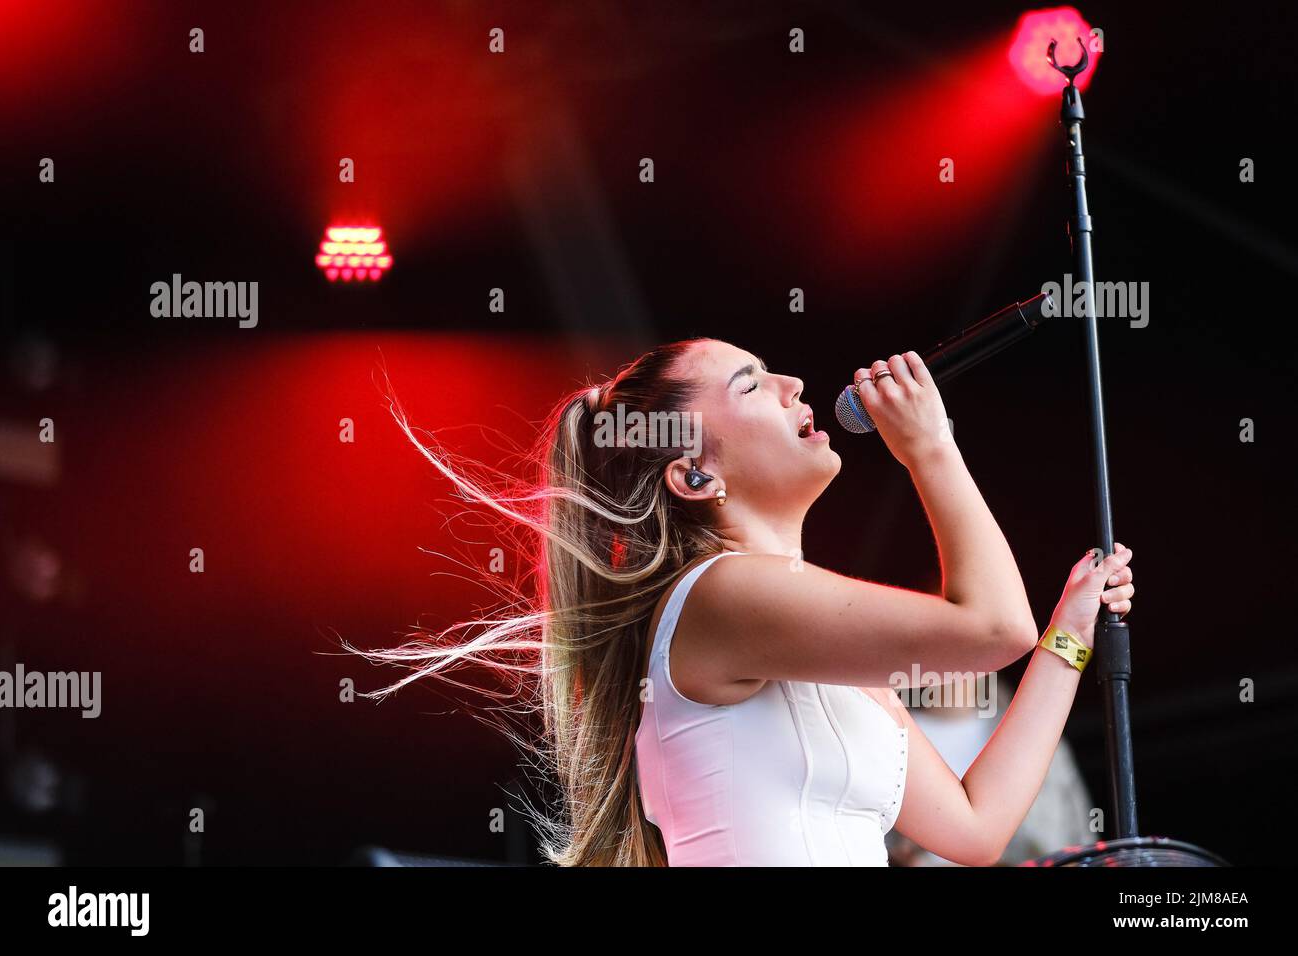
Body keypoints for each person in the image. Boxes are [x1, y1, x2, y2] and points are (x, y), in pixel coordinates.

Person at [349, 338, 1134, 866]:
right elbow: (991, 628)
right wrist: (930, 445)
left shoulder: (807, 642)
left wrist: (1069, 636)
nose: (796, 385)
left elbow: (975, 827)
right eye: (752, 384)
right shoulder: (720, 595)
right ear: (694, 476)